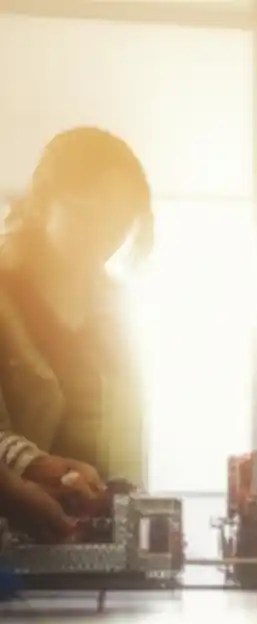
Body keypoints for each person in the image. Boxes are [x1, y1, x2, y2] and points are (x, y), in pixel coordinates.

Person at [0, 127, 150, 541]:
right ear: (44, 200)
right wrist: (32, 467)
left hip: (89, 538)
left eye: (120, 220)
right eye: (90, 213)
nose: (105, 233)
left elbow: (127, 444)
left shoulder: (114, 307)